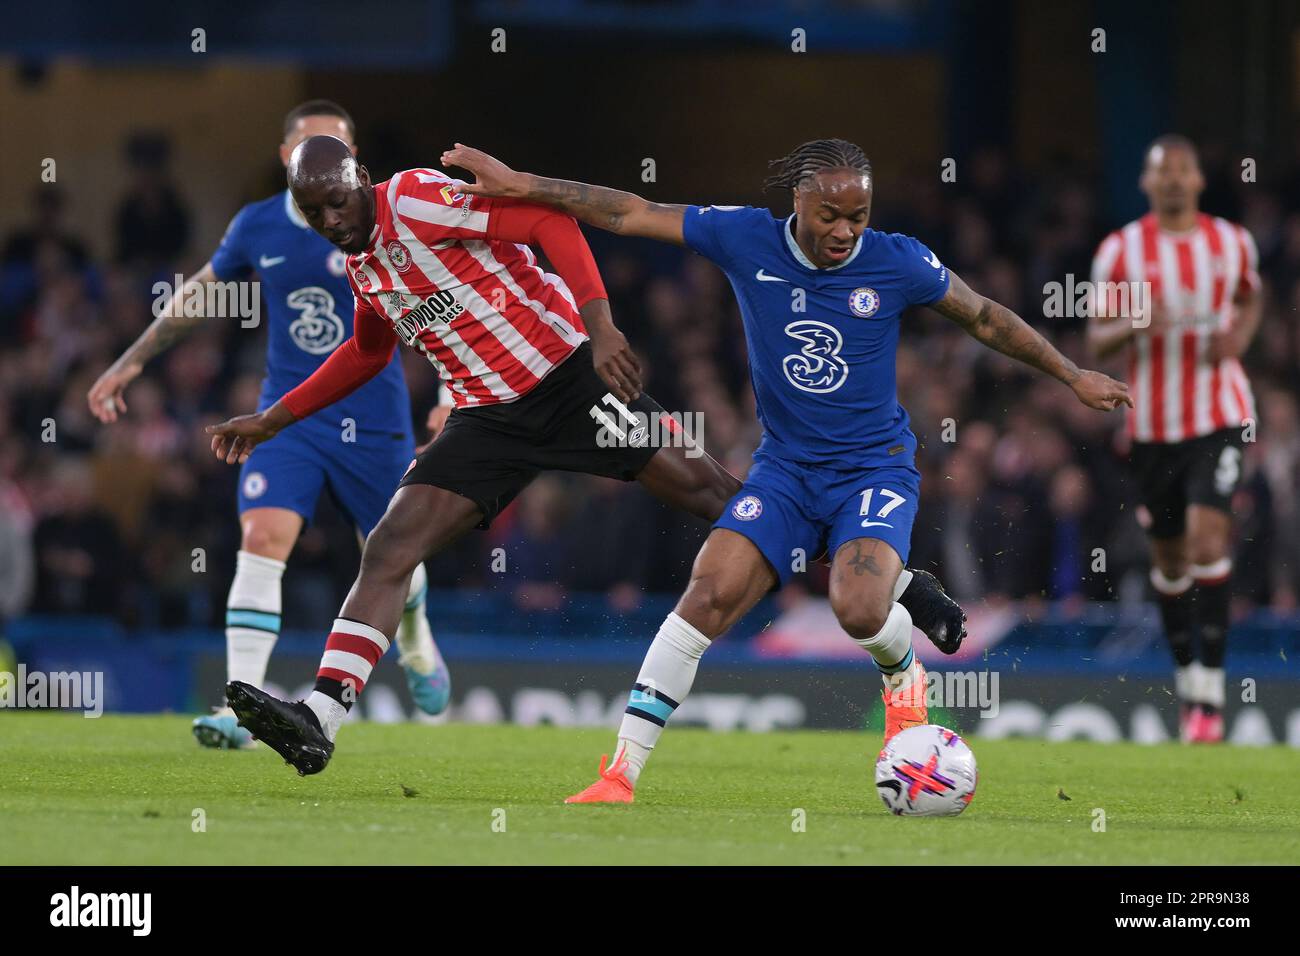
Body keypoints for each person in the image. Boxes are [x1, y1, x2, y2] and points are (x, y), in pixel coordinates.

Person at [209, 135, 967, 776]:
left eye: (338, 202)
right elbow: (366, 353)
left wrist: (600, 326)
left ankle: (894, 582)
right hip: (487, 420)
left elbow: (545, 222)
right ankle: (320, 716)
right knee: (391, 545)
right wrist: (274, 418)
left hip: (569, 380)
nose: (332, 221)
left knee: (717, 500)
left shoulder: (416, 198)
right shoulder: (364, 265)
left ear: (360, 181)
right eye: (315, 215)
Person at [439, 137, 1131, 802]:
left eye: (858, 216)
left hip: (873, 470)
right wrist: (523, 186)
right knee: (708, 594)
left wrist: (1072, 375)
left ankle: (904, 673)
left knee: (858, 609)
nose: (844, 231)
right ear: (797, 200)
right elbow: (630, 211)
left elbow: (983, 317)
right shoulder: (744, 237)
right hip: (785, 470)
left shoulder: (897, 261)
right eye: (830, 215)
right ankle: (618, 775)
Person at [87, 102, 451, 750]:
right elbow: (198, 293)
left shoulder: (386, 218)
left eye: (338, 150)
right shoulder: (258, 226)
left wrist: (453, 390)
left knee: (392, 553)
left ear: (355, 161)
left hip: (374, 421)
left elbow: (446, 300)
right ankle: (239, 707)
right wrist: (129, 363)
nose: (324, 164)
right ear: (288, 156)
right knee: (263, 537)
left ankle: (418, 641)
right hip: (288, 416)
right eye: (311, 148)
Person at [1088, 135, 1262, 743]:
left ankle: (1211, 696)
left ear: (1196, 181)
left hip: (1220, 413)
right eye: (1162, 173)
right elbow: (1096, 339)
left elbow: (1251, 296)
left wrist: (1239, 338)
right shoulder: (1120, 251)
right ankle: (1189, 680)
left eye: (1182, 171)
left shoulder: (1230, 242)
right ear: (1147, 183)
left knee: (1207, 535)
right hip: (1153, 425)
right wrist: (1135, 322)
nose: (1172, 182)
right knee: (1169, 560)